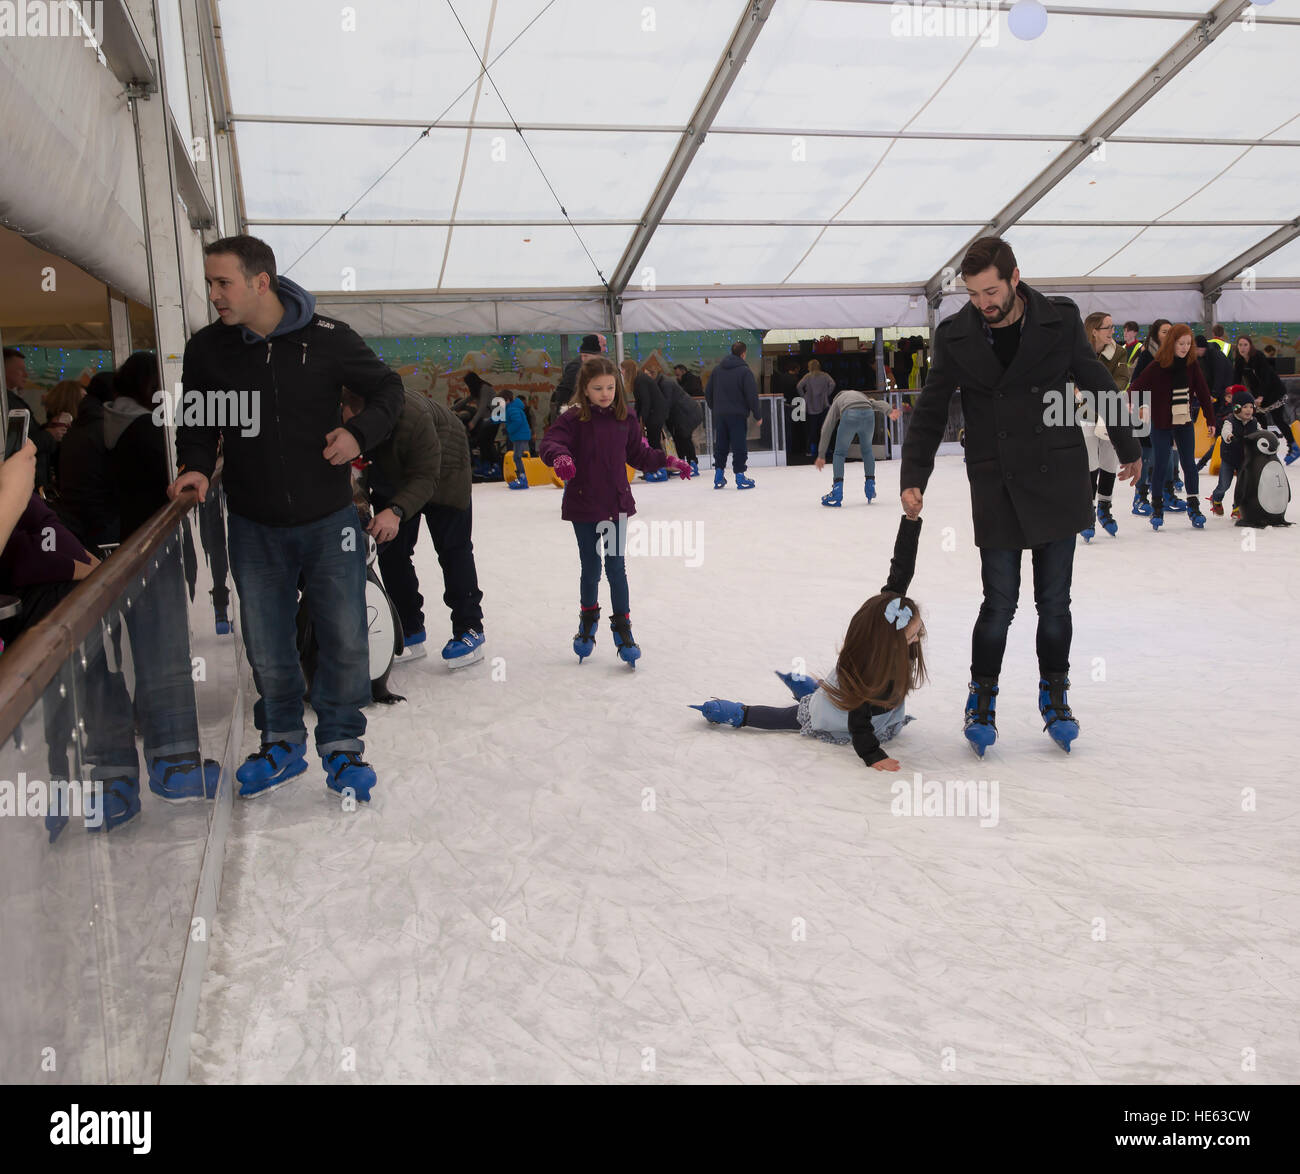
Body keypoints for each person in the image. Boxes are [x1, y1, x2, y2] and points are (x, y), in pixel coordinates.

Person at [169, 234, 404, 804]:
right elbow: (198, 424)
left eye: (222, 282)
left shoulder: (327, 340)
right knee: (268, 643)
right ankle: (280, 743)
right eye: (209, 283)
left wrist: (357, 434)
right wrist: (196, 468)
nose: (214, 294)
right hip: (252, 523)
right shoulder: (208, 350)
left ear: (260, 281)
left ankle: (343, 747)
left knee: (345, 638)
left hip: (328, 521)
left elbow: (389, 390)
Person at [899, 236, 1142, 756]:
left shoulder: (1059, 319)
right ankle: (981, 699)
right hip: (996, 481)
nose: (983, 302)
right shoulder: (956, 336)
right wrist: (913, 475)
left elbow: (1097, 380)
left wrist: (1126, 443)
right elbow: (931, 409)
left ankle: (1055, 697)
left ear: (1014, 277)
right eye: (973, 293)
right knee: (999, 604)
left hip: (1057, 476)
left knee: (1055, 604)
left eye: (991, 290)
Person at [538, 356, 692, 666]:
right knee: (590, 567)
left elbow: (639, 453)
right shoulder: (573, 419)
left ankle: (623, 629)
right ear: (585, 389)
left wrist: (668, 460)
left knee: (616, 567)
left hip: (615, 504)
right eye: (598, 388)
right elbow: (551, 442)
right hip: (583, 505)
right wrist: (560, 458)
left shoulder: (626, 418)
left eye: (610, 387)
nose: (605, 393)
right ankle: (588, 619)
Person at [690, 593, 924, 772]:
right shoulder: (869, 671)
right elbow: (858, 720)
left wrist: (911, 527)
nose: (917, 639)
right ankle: (737, 713)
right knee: (789, 717)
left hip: (861, 705)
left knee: (823, 696)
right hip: (840, 716)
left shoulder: (886, 617)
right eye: (911, 636)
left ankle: (808, 688)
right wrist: (873, 754)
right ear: (888, 641)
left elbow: (901, 569)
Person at [341, 387, 484, 667]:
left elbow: (426, 475)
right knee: (391, 550)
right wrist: (359, 511)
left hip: (445, 469)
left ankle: (470, 628)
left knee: (453, 549)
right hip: (392, 472)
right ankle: (409, 629)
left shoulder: (412, 417)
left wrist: (395, 510)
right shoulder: (349, 421)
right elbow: (356, 472)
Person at [1127, 324, 1215, 530]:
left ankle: (1194, 506)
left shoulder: (1191, 365)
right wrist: (1133, 403)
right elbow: (1136, 386)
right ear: (1171, 344)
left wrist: (1211, 420)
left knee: (1189, 465)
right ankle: (1157, 507)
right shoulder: (1158, 366)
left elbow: (1203, 392)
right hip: (1162, 423)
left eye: (1188, 344)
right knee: (1161, 464)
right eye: (1180, 343)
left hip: (1183, 421)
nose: (1185, 348)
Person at [1079, 311, 1128, 539]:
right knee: (1090, 461)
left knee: (1109, 459)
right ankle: (1087, 511)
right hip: (1085, 411)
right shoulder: (1080, 352)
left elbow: (1122, 378)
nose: (1112, 331)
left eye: (1112, 326)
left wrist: (1102, 391)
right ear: (1094, 331)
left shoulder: (1119, 352)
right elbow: (1070, 377)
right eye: (1107, 327)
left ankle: (1105, 508)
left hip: (1109, 411)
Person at [814, 388, 894, 506]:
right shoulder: (862, 397)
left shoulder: (837, 402)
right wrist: (889, 410)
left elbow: (827, 428)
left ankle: (837, 490)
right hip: (868, 414)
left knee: (839, 453)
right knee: (867, 450)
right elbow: (879, 403)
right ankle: (870, 485)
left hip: (849, 414)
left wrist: (821, 455)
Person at [705, 341, 762, 489]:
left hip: (720, 414)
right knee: (739, 445)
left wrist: (715, 407)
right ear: (743, 354)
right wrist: (757, 415)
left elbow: (708, 392)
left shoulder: (717, 370)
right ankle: (740, 476)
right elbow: (751, 395)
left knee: (721, 444)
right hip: (737, 414)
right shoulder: (745, 371)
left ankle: (718, 475)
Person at [1234, 334, 1298, 464]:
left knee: (1278, 419)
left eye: (1245, 345)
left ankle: (1293, 446)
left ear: (1250, 346)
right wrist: (1233, 393)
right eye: (1240, 345)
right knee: (1259, 421)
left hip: (1273, 392)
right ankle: (1265, 448)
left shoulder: (1258, 357)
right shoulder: (1240, 360)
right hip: (1258, 396)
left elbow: (1266, 377)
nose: (1242, 348)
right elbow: (1236, 378)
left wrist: (1261, 396)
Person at [4, 347, 60, 493]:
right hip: (23, 484)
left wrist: (49, 427)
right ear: (2, 369)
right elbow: (15, 445)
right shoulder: (7, 403)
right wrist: (49, 435)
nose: (26, 374)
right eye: (20, 370)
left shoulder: (11, 400)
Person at [1209, 387, 1255, 517]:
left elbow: (1261, 432)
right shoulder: (1230, 421)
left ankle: (1237, 508)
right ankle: (1216, 499)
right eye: (1245, 407)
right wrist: (1229, 436)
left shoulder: (1254, 422)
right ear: (1236, 408)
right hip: (1229, 458)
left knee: (1243, 485)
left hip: (1245, 459)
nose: (1248, 410)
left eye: (1251, 407)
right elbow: (1225, 431)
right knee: (1224, 484)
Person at [1194, 333, 1234, 473]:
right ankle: (1213, 456)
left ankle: (1207, 460)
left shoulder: (1215, 356)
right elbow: (1204, 377)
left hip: (1223, 395)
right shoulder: (1202, 358)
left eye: (1196, 349)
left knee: (1221, 431)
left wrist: (1214, 395)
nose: (1194, 352)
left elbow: (1219, 376)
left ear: (1202, 347)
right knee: (1218, 429)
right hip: (1217, 396)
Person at [550, 334, 605, 423]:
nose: (605, 349)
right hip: (577, 414)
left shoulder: (596, 368)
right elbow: (564, 391)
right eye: (603, 345)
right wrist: (563, 415)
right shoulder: (577, 367)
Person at [659, 368, 702, 477]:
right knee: (679, 438)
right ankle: (682, 464)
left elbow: (667, 403)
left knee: (685, 437)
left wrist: (661, 416)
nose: (677, 377)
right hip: (680, 415)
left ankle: (692, 464)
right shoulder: (664, 384)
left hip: (687, 414)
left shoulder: (666, 384)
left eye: (678, 375)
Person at [797, 359, 835, 459]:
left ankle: (810, 450)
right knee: (825, 428)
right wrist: (827, 394)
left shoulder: (807, 377)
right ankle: (827, 449)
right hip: (824, 404)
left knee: (811, 429)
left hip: (811, 406)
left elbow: (799, 386)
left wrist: (804, 396)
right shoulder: (825, 375)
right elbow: (833, 384)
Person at [503, 389, 534, 490]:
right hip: (519, 436)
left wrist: (509, 429)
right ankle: (521, 477)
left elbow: (517, 421)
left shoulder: (512, 409)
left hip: (520, 436)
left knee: (518, 457)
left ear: (507, 400)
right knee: (517, 457)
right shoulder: (512, 408)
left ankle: (523, 479)